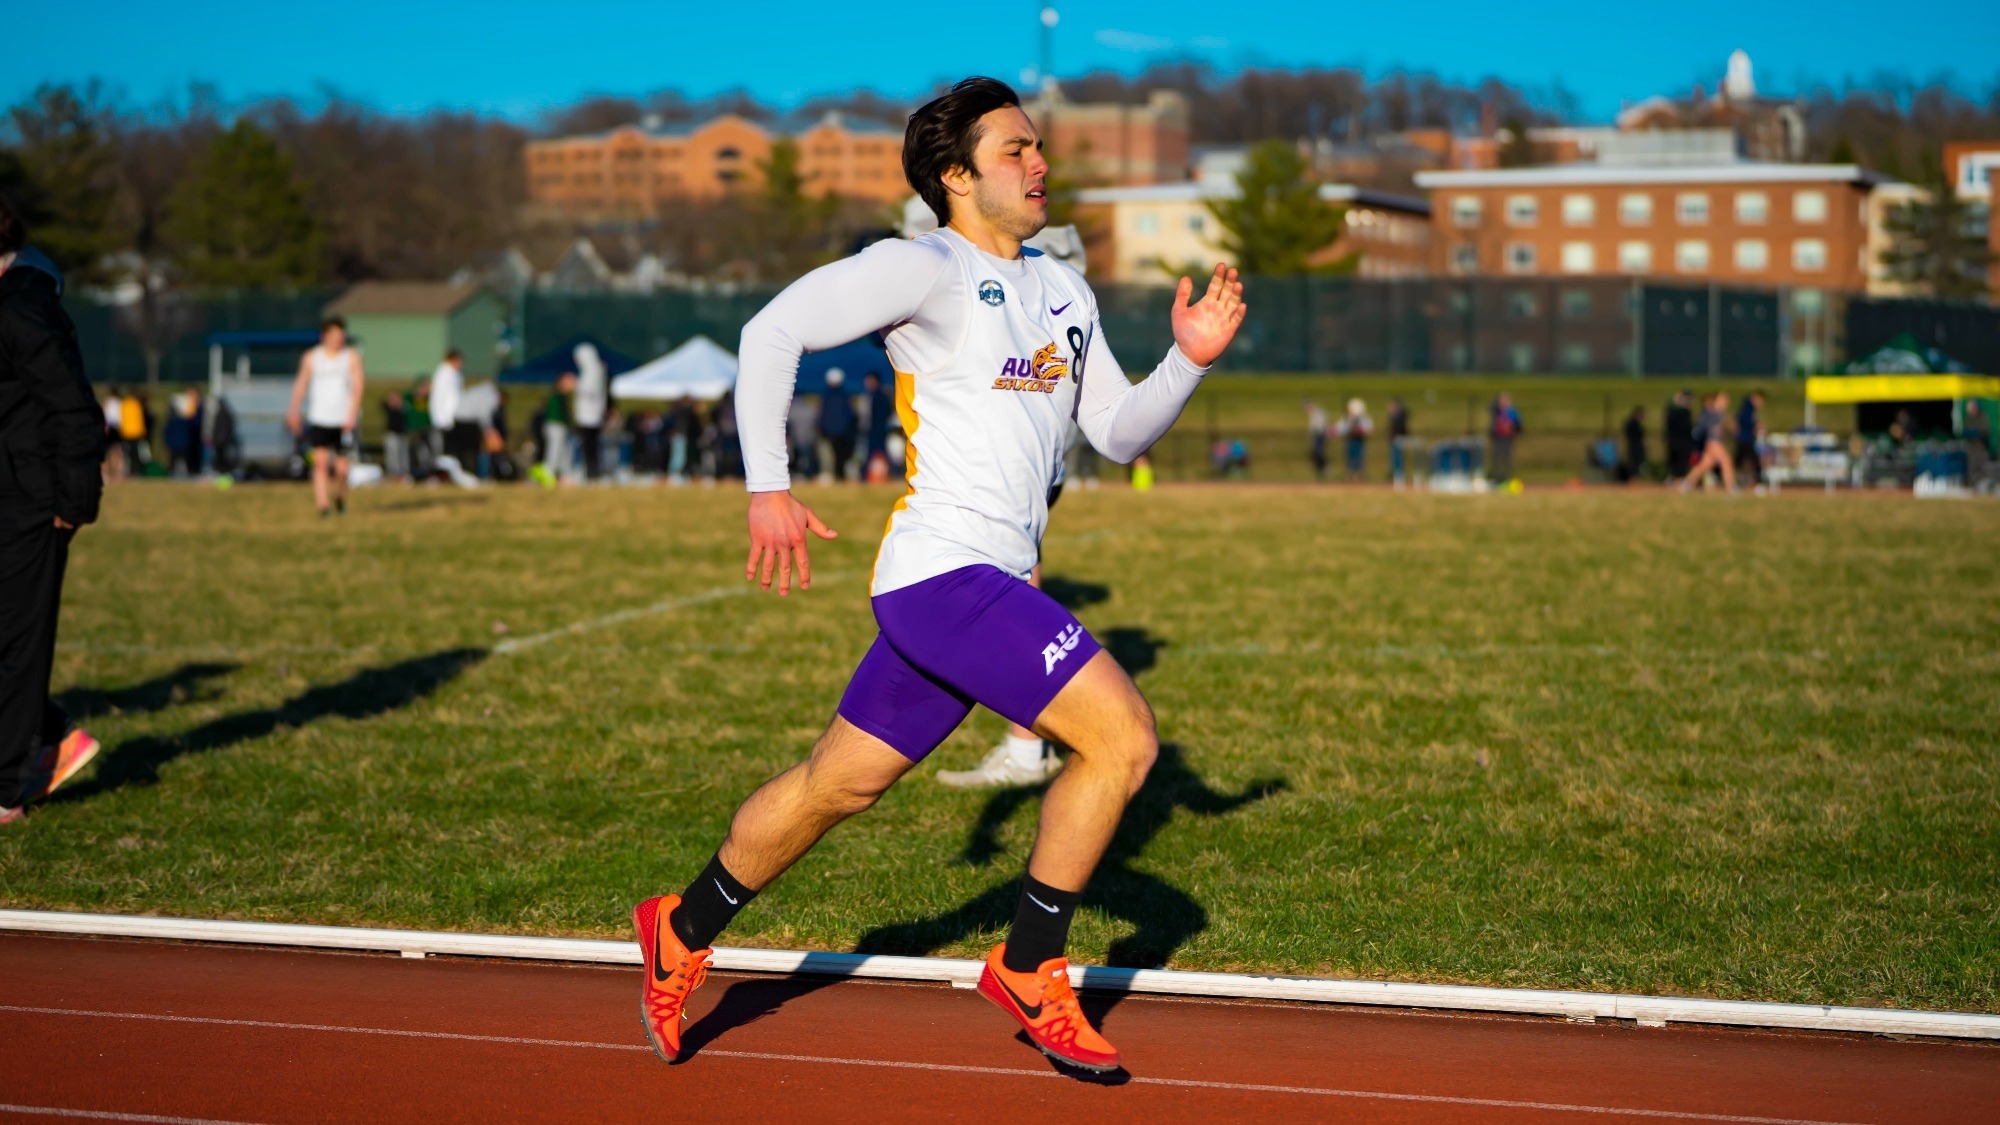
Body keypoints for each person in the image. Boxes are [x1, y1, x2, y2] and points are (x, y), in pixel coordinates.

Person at [631, 77, 1246, 1074]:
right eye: (1013, 151)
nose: (1038, 162)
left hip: (981, 582)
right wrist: (766, 487)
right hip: (943, 576)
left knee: (839, 785)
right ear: (955, 177)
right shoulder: (919, 268)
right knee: (1122, 741)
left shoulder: (1064, 288)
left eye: (1037, 146)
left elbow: (1116, 430)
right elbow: (767, 333)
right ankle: (1030, 965)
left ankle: (679, 923)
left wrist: (1187, 362)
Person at [0, 196, 106, 824]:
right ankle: (53, 733)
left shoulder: (25, 305)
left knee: (16, 640)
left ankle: (10, 788)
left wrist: (73, 501)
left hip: (33, 501)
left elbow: (72, 407)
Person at [286, 317, 365, 518]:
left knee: (341, 469)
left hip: (343, 420)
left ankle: (340, 497)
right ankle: (323, 505)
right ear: (325, 336)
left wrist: (352, 414)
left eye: (341, 336)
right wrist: (293, 411)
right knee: (320, 463)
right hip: (319, 418)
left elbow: (358, 386)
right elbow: (301, 384)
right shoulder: (312, 357)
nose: (338, 340)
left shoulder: (351, 357)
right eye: (334, 336)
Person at [430, 349, 477, 475]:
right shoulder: (445, 374)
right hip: (447, 418)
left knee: (455, 449)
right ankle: (446, 474)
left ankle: (456, 473)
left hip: (455, 416)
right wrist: (446, 417)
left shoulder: (454, 375)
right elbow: (445, 398)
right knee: (448, 449)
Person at [1679, 391, 1737, 493]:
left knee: (1704, 465)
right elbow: (1702, 425)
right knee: (1726, 461)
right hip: (1713, 442)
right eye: (1723, 399)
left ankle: (1687, 483)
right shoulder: (1712, 412)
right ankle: (1731, 486)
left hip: (1715, 442)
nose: (1725, 402)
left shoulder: (1720, 413)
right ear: (1717, 400)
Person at [571, 342, 608, 482]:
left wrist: (575, 385)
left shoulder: (593, 370)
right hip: (590, 415)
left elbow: (590, 391)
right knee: (590, 447)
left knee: (590, 447)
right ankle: (591, 472)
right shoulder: (594, 369)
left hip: (589, 416)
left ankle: (592, 473)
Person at [819, 369, 858, 481]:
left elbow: (822, 415)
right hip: (843, 433)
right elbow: (850, 414)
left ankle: (834, 476)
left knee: (832, 458)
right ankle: (841, 476)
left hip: (830, 433)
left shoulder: (826, 396)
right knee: (842, 458)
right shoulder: (845, 396)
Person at [164, 387, 203, 477]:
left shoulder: (195, 409)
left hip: (187, 442)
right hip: (185, 442)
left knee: (185, 463)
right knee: (181, 463)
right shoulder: (185, 413)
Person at [541, 372, 574, 482]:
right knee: (555, 449)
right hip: (557, 427)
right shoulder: (556, 396)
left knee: (563, 450)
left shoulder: (560, 396)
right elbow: (557, 415)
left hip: (558, 426)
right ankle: (549, 472)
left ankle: (564, 473)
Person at [861, 371, 893, 482]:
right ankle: (879, 476)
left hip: (877, 431)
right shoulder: (880, 395)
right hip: (879, 431)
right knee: (878, 454)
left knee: (876, 454)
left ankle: (875, 477)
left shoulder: (877, 396)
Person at [1735, 389, 1765, 490]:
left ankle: (1739, 482)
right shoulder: (1747, 408)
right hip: (1745, 439)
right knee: (1753, 461)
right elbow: (1743, 421)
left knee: (1740, 462)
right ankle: (1758, 483)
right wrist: (1755, 426)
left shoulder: (1748, 408)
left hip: (1745, 439)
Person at [1489, 392, 1522, 482]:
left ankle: (1508, 478)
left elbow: (1518, 425)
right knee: (1496, 458)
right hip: (1498, 438)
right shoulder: (1497, 411)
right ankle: (1496, 478)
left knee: (1507, 459)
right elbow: (1490, 407)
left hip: (1508, 438)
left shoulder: (1512, 412)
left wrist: (1511, 429)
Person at [1663, 389, 1694, 481]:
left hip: (1684, 440)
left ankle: (1682, 477)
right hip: (1674, 439)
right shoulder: (1673, 409)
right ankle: (1674, 477)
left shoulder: (1687, 411)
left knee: (1683, 460)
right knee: (1674, 460)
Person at [1337, 397, 1371, 480]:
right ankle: (1350, 474)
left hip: (1359, 440)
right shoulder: (1347, 418)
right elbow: (1341, 428)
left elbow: (1368, 428)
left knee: (1359, 457)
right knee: (1350, 458)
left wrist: (1360, 431)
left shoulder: (1363, 418)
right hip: (1350, 440)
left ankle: (1358, 474)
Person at [381, 390, 409, 482]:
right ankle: (393, 473)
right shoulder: (389, 409)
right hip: (392, 434)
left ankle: (403, 473)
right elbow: (382, 404)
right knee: (392, 455)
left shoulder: (403, 409)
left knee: (402, 455)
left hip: (402, 434)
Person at [1620, 406, 1648, 483]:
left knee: (1638, 463)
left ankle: (1636, 479)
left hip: (1637, 447)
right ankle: (1633, 479)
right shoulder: (1632, 424)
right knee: (1634, 463)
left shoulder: (1636, 424)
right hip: (1634, 446)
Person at [1386, 397, 1410, 484]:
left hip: (1398, 438)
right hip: (1395, 438)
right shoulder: (1396, 415)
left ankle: (1399, 475)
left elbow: (1399, 427)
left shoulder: (1400, 414)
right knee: (1395, 457)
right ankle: (1396, 475)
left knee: (1398, 457)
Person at [1304, 399, 1329, 479]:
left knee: (1318, 451)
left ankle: (1324, 467)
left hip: (1319, 435)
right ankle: (1321, 468)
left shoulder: (1318, 412)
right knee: (1316, 452)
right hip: (1316, 435)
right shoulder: (1313, 414)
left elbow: (1320, 425)